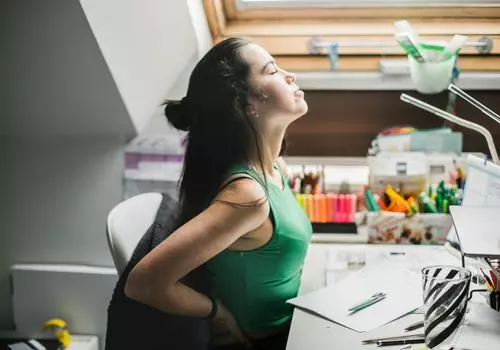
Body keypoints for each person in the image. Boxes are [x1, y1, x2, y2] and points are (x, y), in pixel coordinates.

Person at [124, 37, 313, 350]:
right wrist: (215, 312)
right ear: (245, 104)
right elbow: (142, 284)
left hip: (296, 321)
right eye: (271, 71)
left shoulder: (275, 167)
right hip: (271, 341)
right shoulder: (247, 197)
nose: (289, 75)